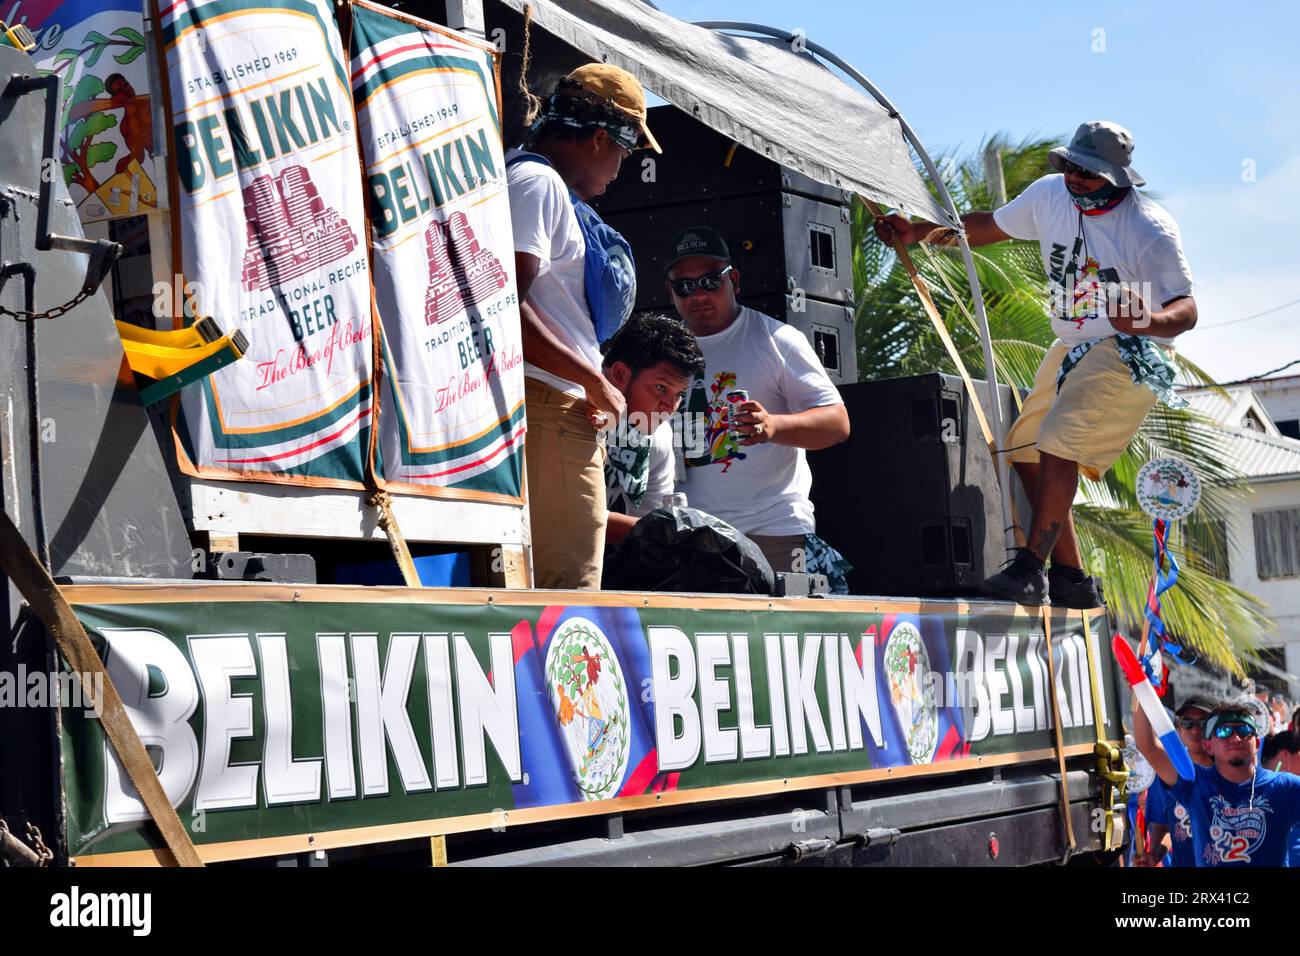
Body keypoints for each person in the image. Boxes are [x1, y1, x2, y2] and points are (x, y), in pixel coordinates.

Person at [875, 121, 1197, 608]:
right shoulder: (1050, 195)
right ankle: (1070, 576)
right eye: (1070, 165)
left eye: (1087, 172)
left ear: (1117, 176)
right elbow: (983, 228)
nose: (1074, 177)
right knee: (1024, 450)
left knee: (1059, 439)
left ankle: (1030, 568)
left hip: (1128, 351)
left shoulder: (1148, 228)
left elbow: (1187, 311)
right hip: (1072, 345)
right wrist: (917, 232)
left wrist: (1149, 319)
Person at [507, 64, 660, 588]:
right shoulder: (538, 182)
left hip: (551, 410)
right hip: (551, 412)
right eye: (624, 152)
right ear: (599, 139)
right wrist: (594, 381)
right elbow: (503, 305)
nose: (621, 170)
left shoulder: (524, 177)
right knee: (566, 597)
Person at [664, 226, 852, 583]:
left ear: (734, 279)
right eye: (684, 286)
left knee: (784, 633)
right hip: (694, 535)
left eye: (709, 281)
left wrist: (774, 427)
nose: (698, 295)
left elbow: (837, 423)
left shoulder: (776, 339)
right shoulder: (663, 349)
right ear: (670, 291)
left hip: (774, 529)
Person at [1134, 696, 1300, 866]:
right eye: (1223, 732)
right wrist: (1140, 687)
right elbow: (1148, 746)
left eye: (1244, 731)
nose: (1235, 738)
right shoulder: (1195, 783)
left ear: (1256, 743)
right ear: (1208, 746)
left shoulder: (1284, 787)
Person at [599, 313, 706, 547]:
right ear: (619, 374)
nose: (669, 406)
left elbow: (647, 525)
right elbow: (569, 512)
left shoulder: (659, 435)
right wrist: (662, 533)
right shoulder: (573, 401)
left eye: (679, 394)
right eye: (660, 387)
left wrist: (668, 534)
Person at [1138, 695, 1214, 867]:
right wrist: (1154, 856)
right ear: (1179, 729)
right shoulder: (1166, 774)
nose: (1195, 730)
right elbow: (1163, 827)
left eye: (1203, 723)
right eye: (1188, 723)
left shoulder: (1231, 771)